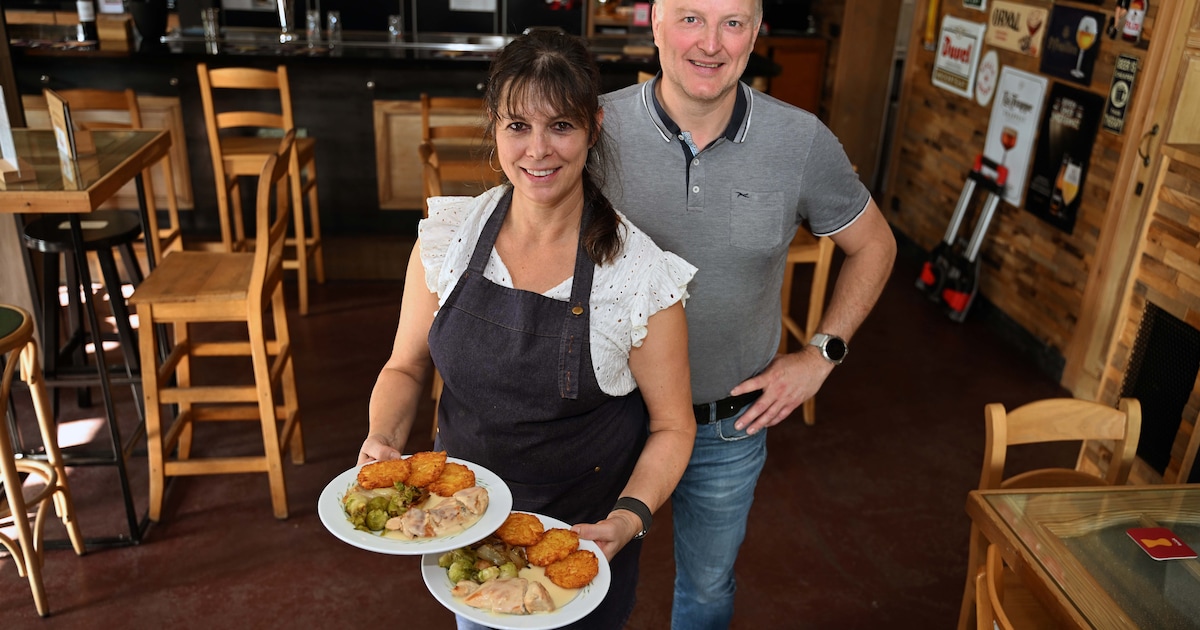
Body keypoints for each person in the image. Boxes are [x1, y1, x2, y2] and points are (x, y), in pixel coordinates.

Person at [358, 30, 698, 629]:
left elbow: (673, 425)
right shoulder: (449, 242)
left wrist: (629, 517)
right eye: (518, 126)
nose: (538, 150)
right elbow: (405, 365)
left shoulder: (638, 275)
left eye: (560, 126)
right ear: (494, 128)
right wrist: (382, 438)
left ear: (594, 127)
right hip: (465, 526)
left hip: (583, 542)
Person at [600, 0, 899, 627]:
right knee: (584, 585)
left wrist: (822, 354)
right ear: (653, 23)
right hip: (605, 418)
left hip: (725, 427)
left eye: (732, 23)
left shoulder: (800, 140)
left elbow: (875, 244)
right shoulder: (595, 126)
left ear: (755, 33)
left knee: (708, 592)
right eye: (690, 18)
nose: (710, 43)